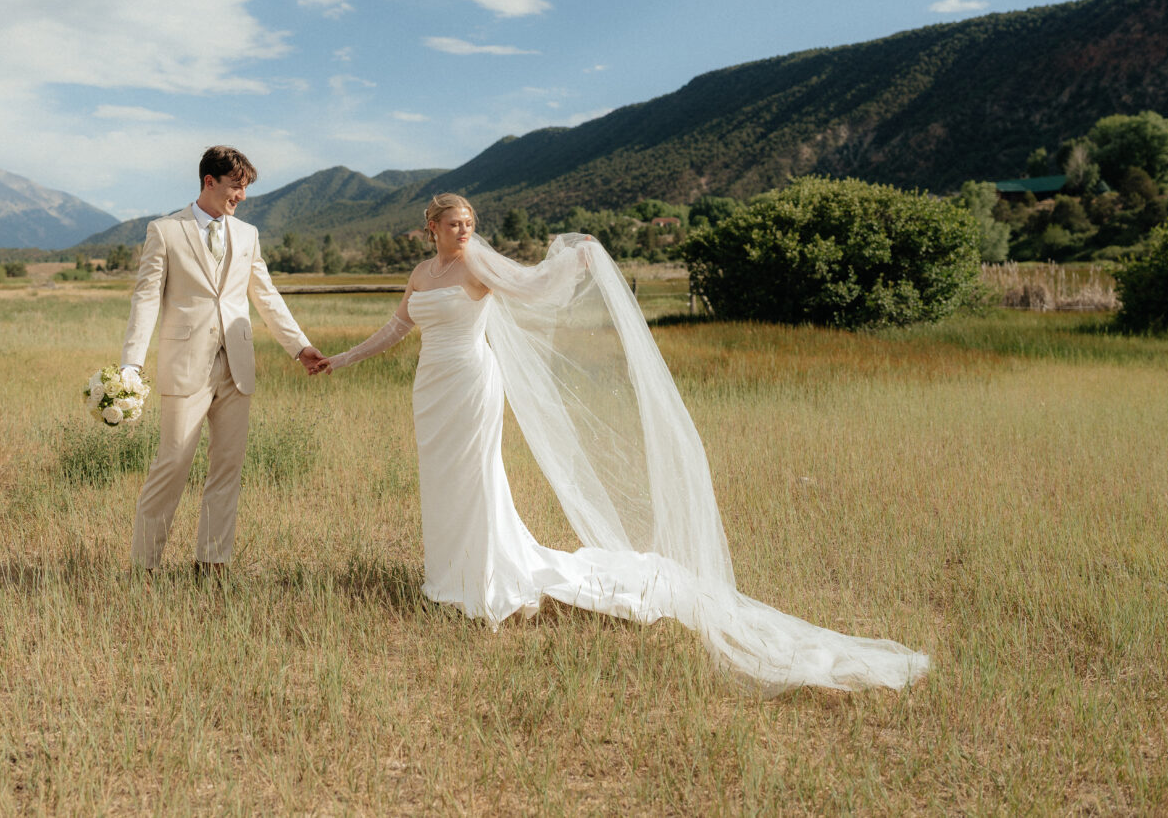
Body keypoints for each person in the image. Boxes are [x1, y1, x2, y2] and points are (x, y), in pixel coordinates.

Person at [317, 193, 929, 694]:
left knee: (478, 479)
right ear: (431, 228)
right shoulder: (423, 274)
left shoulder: (479, 265)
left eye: (470, 223)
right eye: (454, 224)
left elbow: (532, 287)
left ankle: (485, 586)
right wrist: (341, 359)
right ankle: (448, 579)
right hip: (432, 389)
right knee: (443, 483)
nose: (463, 231)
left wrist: (572, 262)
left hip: (474, 384)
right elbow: (399, 326)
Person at [121, 146, 330, 576]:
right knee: (173, 463)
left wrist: (299, 346)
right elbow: (145, 299)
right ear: (209, 182)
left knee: (227, 467)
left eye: (246, 188)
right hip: (185, 365)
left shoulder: (248, 235)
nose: (242, 196)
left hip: (237, 365)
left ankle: (212, 562)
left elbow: (265, 295)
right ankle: (144, 565)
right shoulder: (164, 231)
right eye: (236, 186)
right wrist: (131, 364)